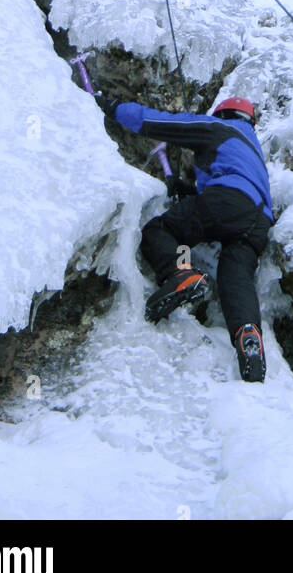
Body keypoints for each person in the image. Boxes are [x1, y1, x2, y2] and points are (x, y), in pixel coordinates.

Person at [103, 94, 272, 383]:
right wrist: (192, 192)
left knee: (159, 230)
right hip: (257, 221)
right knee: (235, 275)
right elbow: (236, 184)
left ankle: (181, 274)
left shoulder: (219, 128)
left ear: (222, 114)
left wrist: (113, 107)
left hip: (227, 200)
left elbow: (160, 122)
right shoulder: (252, 150)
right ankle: (248, 336)